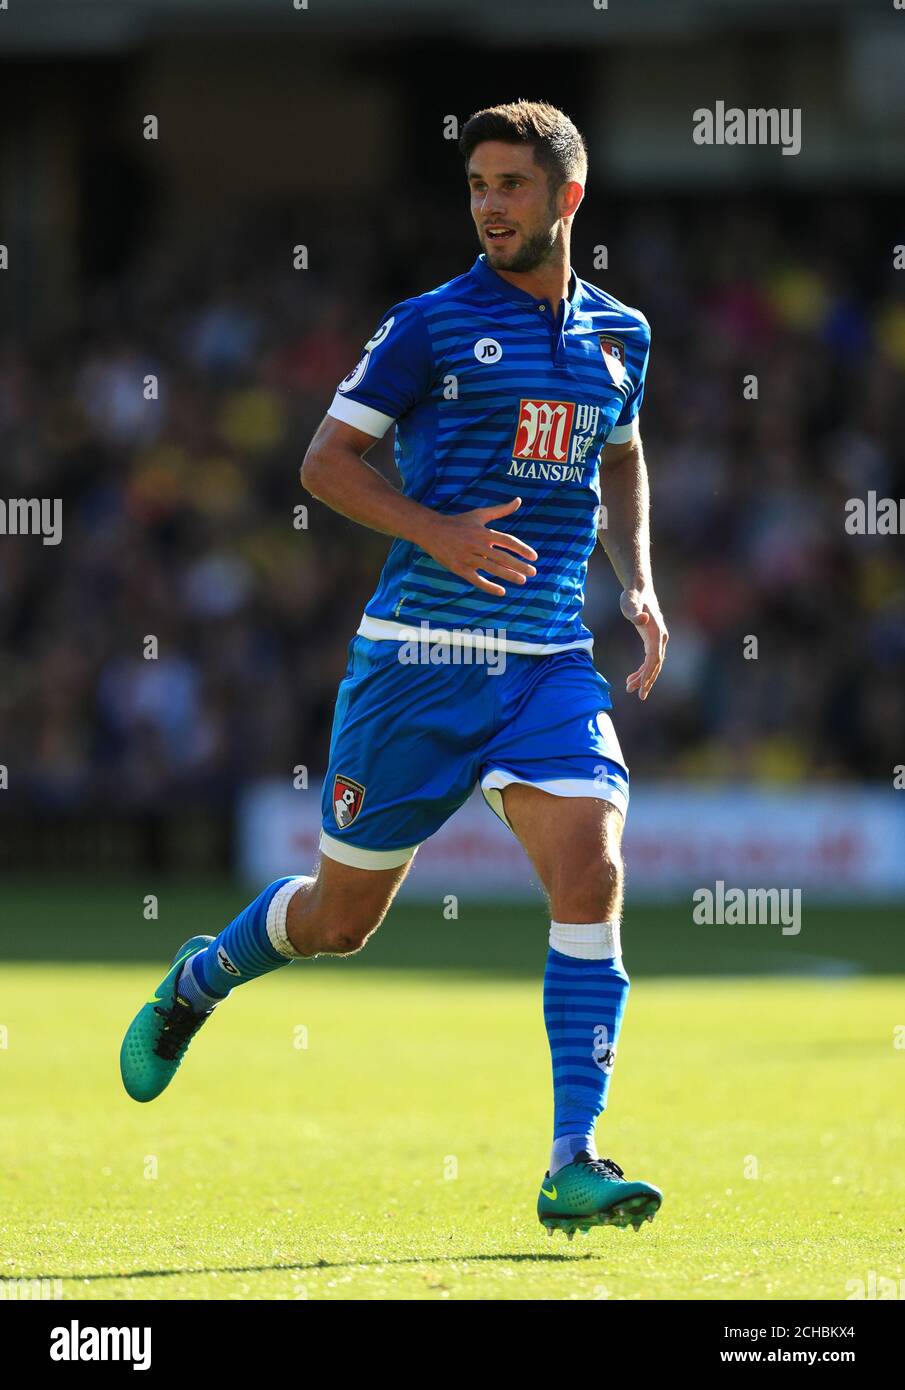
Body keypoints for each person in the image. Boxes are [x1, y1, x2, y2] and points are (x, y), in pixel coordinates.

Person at [120, 99, 669, 1239]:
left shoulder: (623, 334)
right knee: (337, 922)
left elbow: (620, 460)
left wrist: (638, 580)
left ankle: (573, 1156)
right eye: (476, 187)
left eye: (510, 186)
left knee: (592, 869)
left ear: (566, 196)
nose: (488, 207)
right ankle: (199, 978)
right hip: (417, 664)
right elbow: (327, 463)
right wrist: (438, 531)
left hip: (546, 661)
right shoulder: (429, 323)